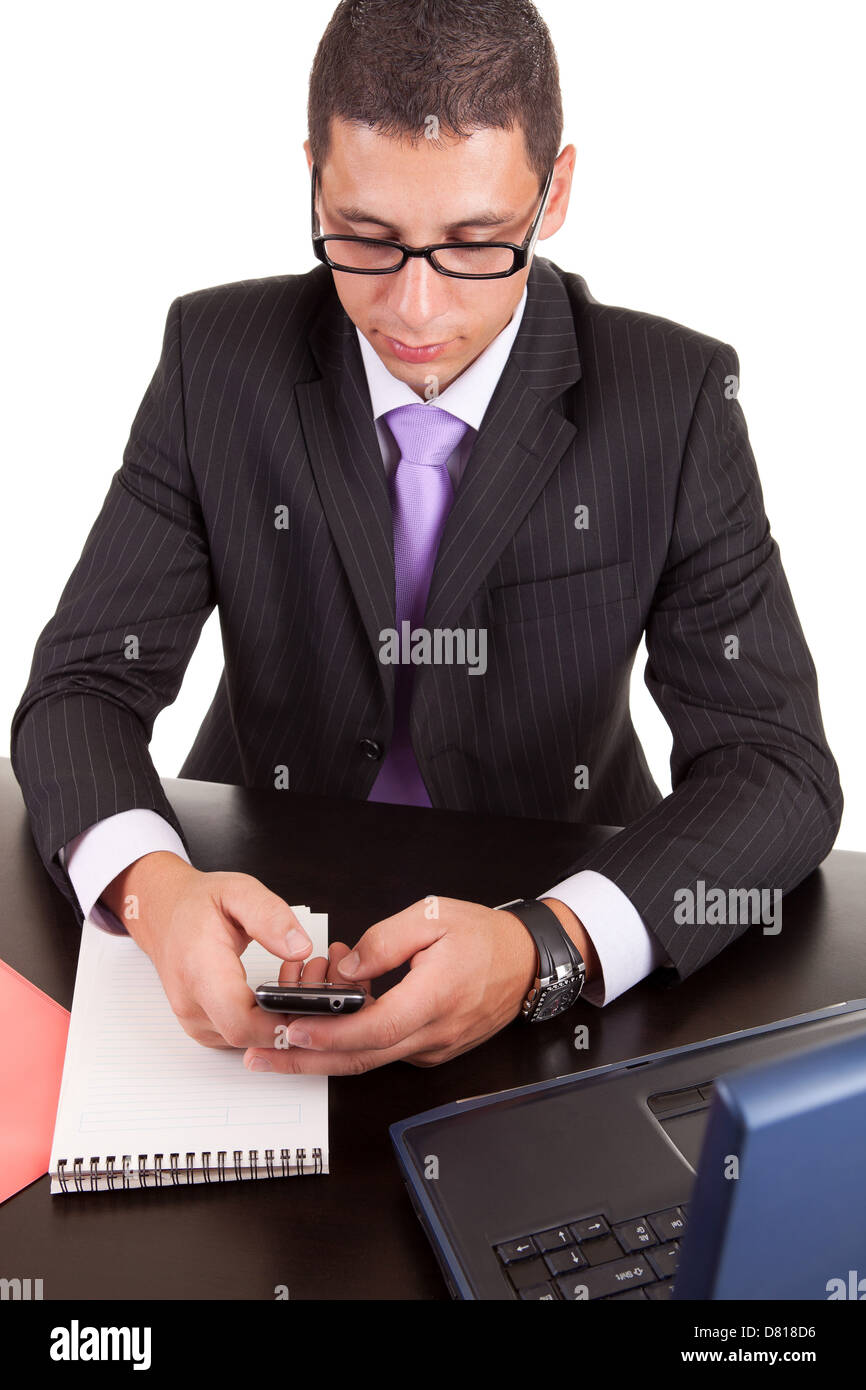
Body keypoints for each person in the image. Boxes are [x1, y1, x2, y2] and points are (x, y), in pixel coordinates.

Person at [11, 0, 842, 1074]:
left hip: (551, 904)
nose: (412, 307)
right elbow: (81, 684)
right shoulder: (213, 360)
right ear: (312, 172)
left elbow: (773, 764)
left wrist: (550, 942)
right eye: (363, 237)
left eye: (473, 244)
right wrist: (154, 889)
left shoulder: (670, 401)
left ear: (556, 193)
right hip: (259, 892)